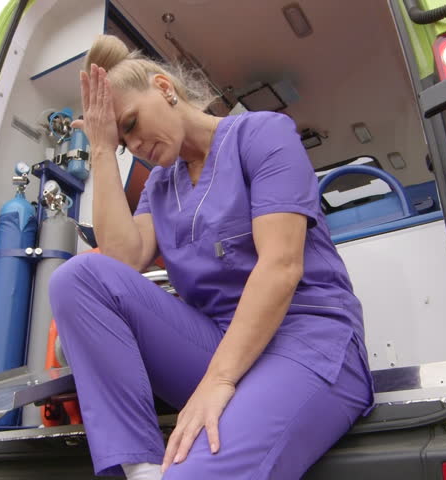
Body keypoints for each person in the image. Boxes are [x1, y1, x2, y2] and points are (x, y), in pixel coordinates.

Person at [48, 34, 374, 480]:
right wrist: (104, 149)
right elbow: (119, 262)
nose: (135, 143)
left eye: (131, 123)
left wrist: (217, 382)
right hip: (217, 347)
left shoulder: (261, 134)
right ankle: (139, 468)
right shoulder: (161, 188)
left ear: (164, 88)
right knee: (76, 278)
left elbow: (281, 266)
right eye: (124, 139)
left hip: (305, 339)